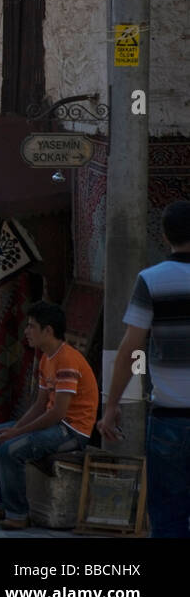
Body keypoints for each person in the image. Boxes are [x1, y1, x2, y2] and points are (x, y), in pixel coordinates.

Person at [99, 200, 190, 538]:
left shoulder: (151, 280)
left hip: (169, 421)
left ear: (165, 235)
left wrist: (112, 406)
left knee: (168, 518)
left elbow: (130, 350)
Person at [0, 302, 98, 531]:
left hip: (72, 431)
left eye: (31, 326)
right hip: (54, 424)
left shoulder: (67, 360)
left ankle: (18, 514)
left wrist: (17, 433)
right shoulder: (47, 359)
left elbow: (58, 413)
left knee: (11, 449)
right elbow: (40, 404)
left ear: (48, 330)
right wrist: (15, 428)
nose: (26, 332)